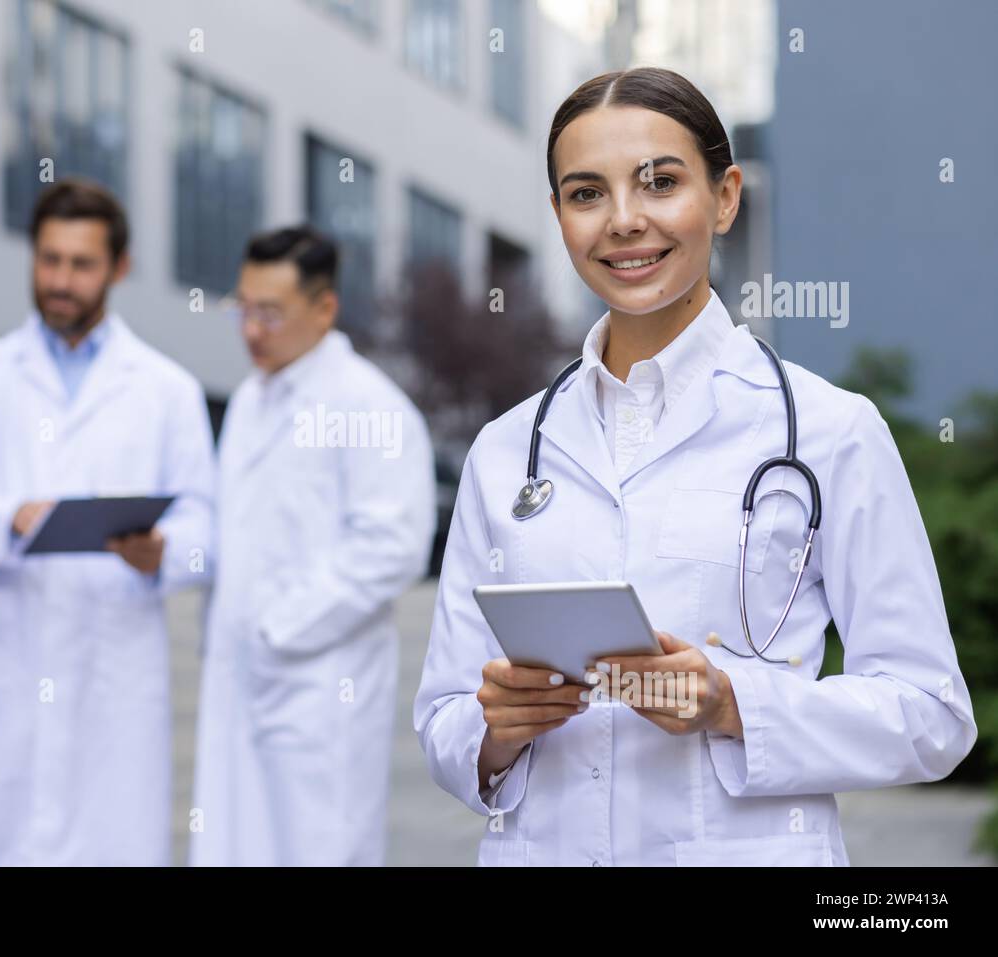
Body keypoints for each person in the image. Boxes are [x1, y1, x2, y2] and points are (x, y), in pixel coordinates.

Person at [414, 68, 977, 866]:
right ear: (558, 217)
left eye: (661, 182)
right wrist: (494, 729)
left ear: (725, 196)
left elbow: (933, 716)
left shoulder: (829, 432)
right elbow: (443, 718)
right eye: (586, 194)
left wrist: (733, 703)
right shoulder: (507, 451)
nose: (623, 220)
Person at [0, 178, 215, 865]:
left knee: (111, 839)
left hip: (112, 665)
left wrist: (162, 552)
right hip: (5, 659)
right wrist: (10, 517)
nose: (60, 280)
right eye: (48, 260)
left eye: (81, 264)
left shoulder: (165, 389)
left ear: (119, 268)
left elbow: (206, 518)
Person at [189, 226, 435, 866]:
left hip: (320, 689)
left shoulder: (370, 405)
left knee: (316, 846)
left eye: (270, 313)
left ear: (325, 308)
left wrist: (278, 627)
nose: (250, 329)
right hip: (245, 675)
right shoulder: (249, 400)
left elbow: (394, 545)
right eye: (243, 308)